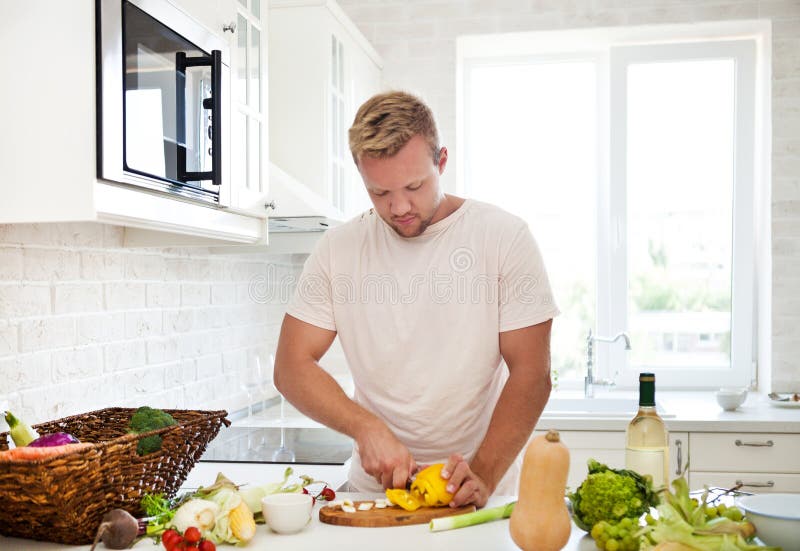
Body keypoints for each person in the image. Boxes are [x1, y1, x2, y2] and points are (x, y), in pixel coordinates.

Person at [273, 91, 558, 508]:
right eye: (380, 192)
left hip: (480, 493)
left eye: (414, 186)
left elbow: (532, 373)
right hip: (375, 500)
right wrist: (364, 427)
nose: (399, 206)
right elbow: (290, 367)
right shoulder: (339, 249)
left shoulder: (503, 237)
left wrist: (483, 474)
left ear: (441, 162)